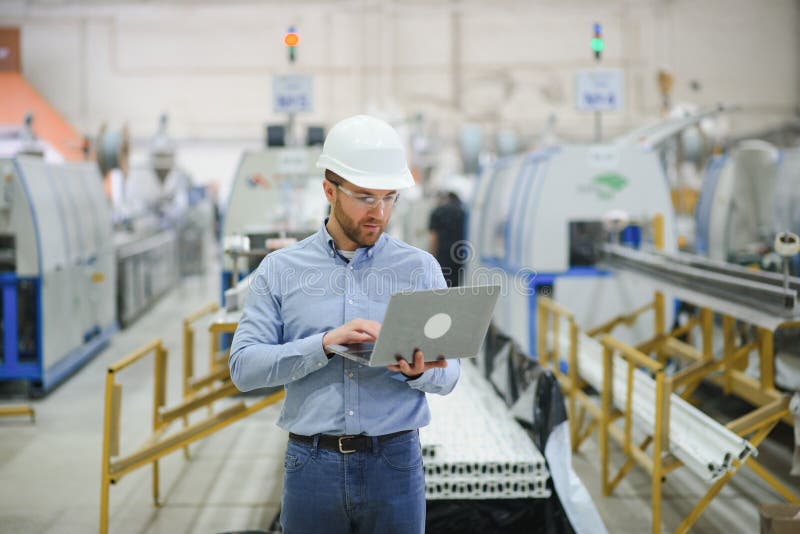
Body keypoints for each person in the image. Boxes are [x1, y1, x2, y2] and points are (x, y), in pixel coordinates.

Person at [229, 114, 461, 534]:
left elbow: (451, 376)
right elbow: (244, 368)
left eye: (390, 198)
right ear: (329, 191)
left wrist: (420, 370)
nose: (380, 212)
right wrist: (321, 345)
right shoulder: (281, 269)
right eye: (365, 197)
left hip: (394, 462)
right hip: (310, 464)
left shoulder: (418, 268)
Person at [428, 190, 466, 287]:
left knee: (442, 287)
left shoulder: (437, 212)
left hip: (442, 257)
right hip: (459, 257)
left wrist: (431, 258)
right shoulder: (463, 212)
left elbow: (433, 238)